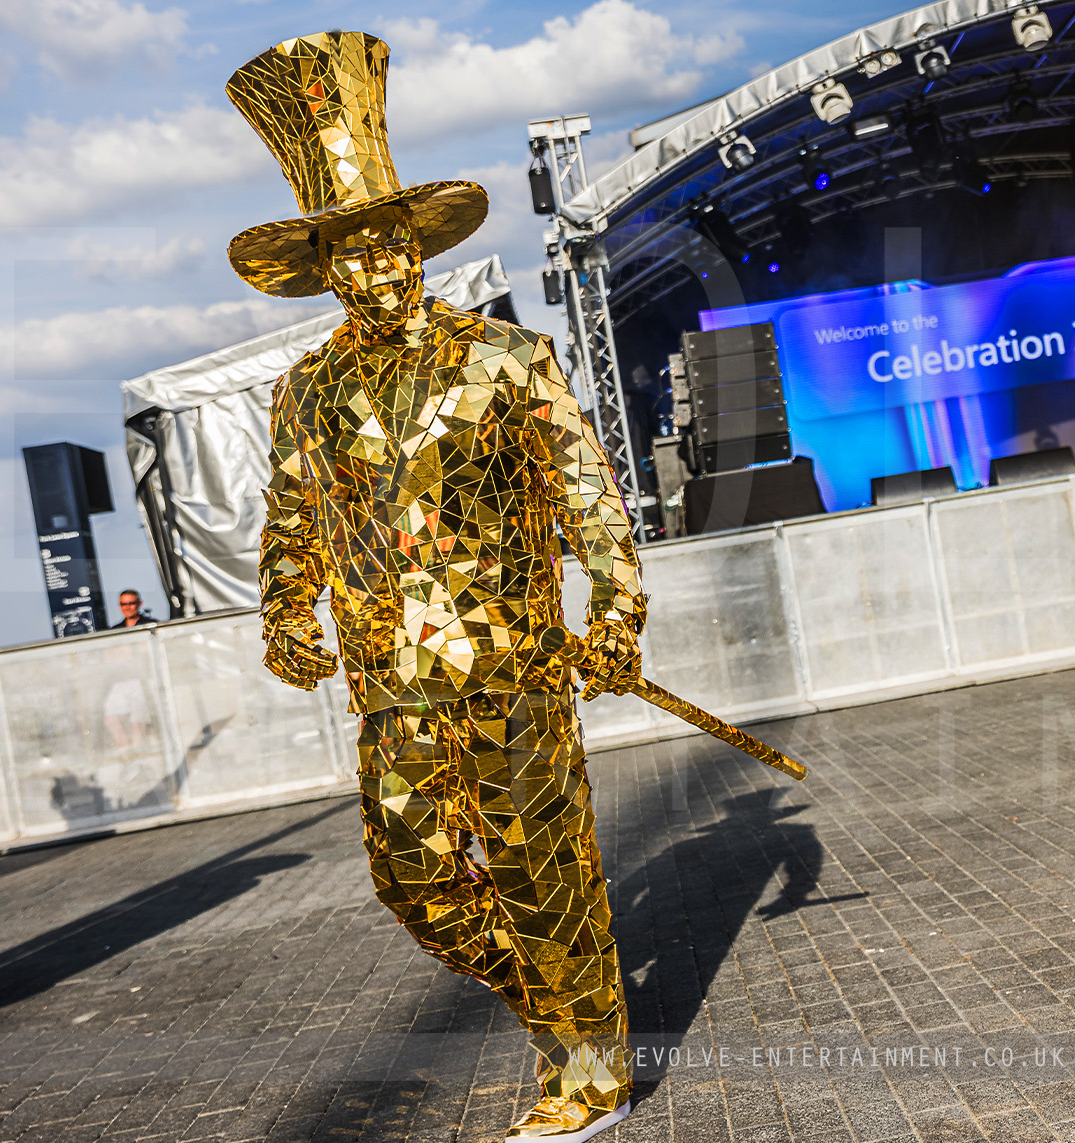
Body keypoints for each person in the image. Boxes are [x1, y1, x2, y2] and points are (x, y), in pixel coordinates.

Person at [229, 32, 644, 1142]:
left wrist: (615, 610)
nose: (372, 269)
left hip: (515, 666)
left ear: (413, 244)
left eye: (384, 245)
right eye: (347, 253)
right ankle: (574, 1014)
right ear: (325, 267)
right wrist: (284, 610)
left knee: (540, 869)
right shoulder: (305, 390)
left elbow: (588, 496)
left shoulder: (506, 358)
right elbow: (291, 518)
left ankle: (587, 1071)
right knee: (414, 882)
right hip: (391, 682)